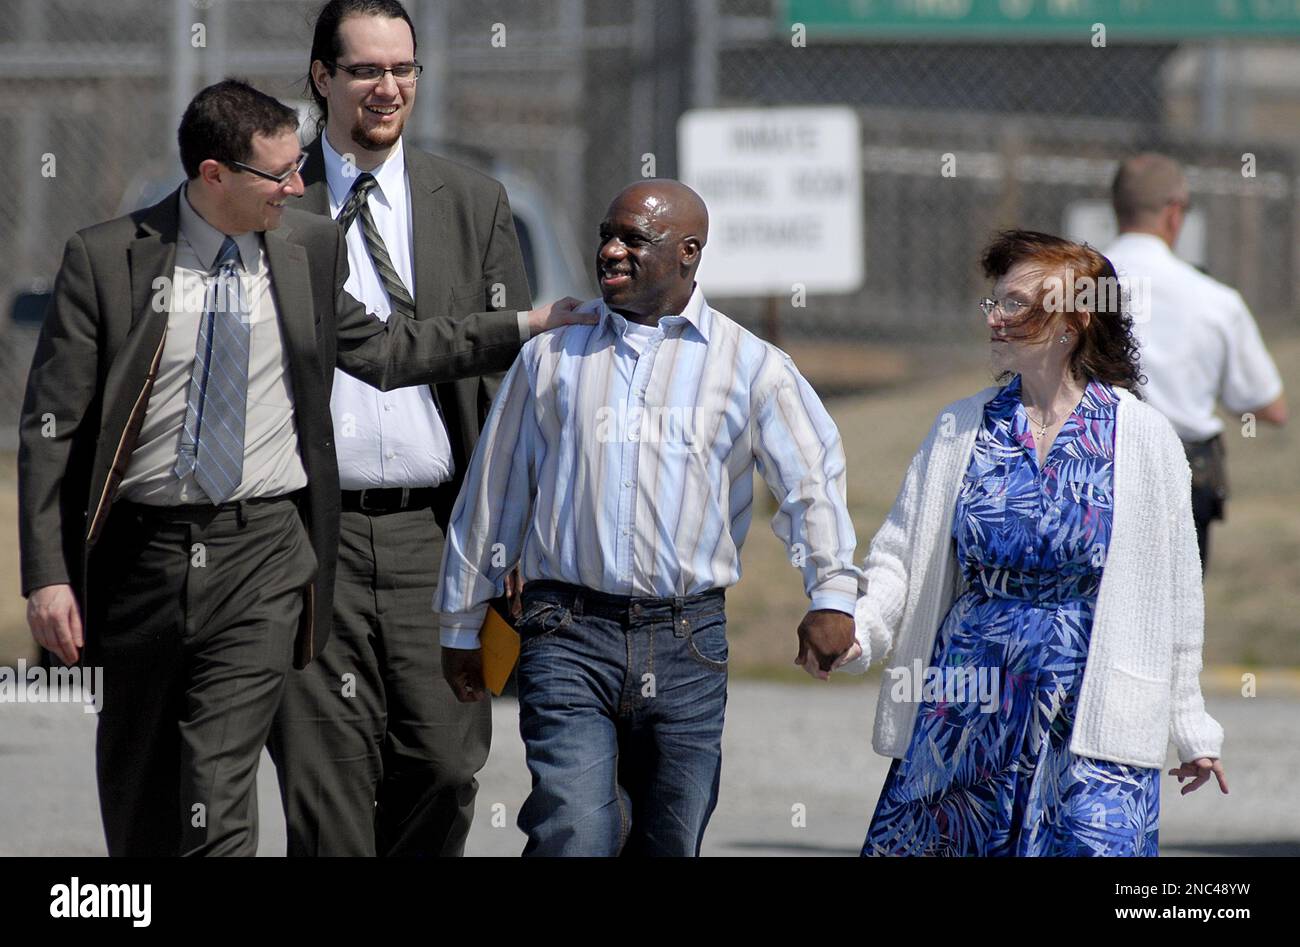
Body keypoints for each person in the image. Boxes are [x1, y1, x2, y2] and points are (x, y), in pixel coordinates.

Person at [18, 78, 583, 857]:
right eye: (278, 175)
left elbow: (389, 349)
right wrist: (47, 575)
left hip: (263, 556)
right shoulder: (109, 258)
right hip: (141, 560)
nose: (298, 186)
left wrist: (524, 323)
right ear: (214, 176)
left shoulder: (305, 249)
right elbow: (54, 431)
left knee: (216, 789)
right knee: (142, 788)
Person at [434, 179, 861, 856]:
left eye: (634, 239)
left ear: (689, 253)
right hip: (566, 632)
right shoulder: (552, 356)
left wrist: (832, 594)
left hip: (688, 640)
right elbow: (496, 491)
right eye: (606, 233)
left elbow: (811, 484)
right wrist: (463, 619)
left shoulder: (751, 367)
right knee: (575, 829)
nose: (610, 250)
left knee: (668, 840)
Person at [266, 0, 558, 858]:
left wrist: (517, 530)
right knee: (326, 798)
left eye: (404, 69)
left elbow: (513, 384)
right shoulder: (279, 204)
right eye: (366, 71)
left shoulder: (472, 203)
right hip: (307, 538)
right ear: (322, 79)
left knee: (442, 767)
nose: (388, 88)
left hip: (439, 536)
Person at [838, 230, 1228, 857]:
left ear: (1075, 319)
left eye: (1016, 304)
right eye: (993, 302)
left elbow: (1176, 597)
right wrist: (857, 631)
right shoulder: (961, 426)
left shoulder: (1144, 439)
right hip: (967, 700)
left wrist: (1190, 726)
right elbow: (900, 559)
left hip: (1091, 701)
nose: (994, 316)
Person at [1105, 153, 1286, 569]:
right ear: (1174, 214)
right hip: (1183, 479)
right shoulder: (1216, 300)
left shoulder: (1076, 288)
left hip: (1093, 468)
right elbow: (1270, 406)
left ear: (1116, 207)